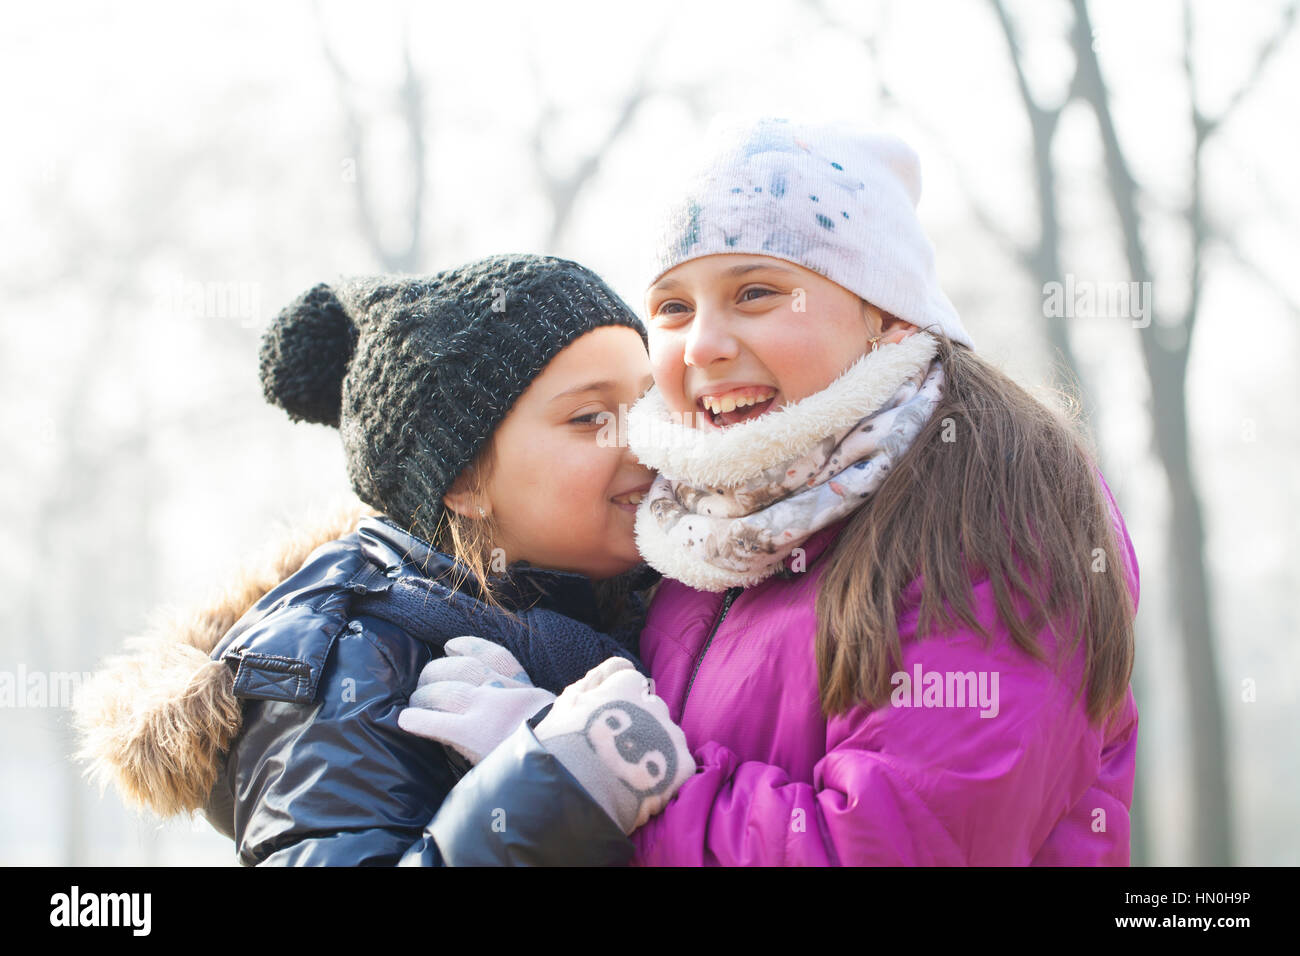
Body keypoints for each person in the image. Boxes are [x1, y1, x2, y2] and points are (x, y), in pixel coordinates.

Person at [404, 118, 1142, 866]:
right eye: (672, 308)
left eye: (755, 292)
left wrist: (581, 778)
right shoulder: (694, 522)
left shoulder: (988, 508)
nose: (703, 345)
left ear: (885, 313)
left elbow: (886, 848)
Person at [72, 254, 693, 866]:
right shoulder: (354, 664)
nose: (642, 439)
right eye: (590, 418)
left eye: (647, 406)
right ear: (463, 482)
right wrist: (557, 785)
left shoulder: (668, 597)